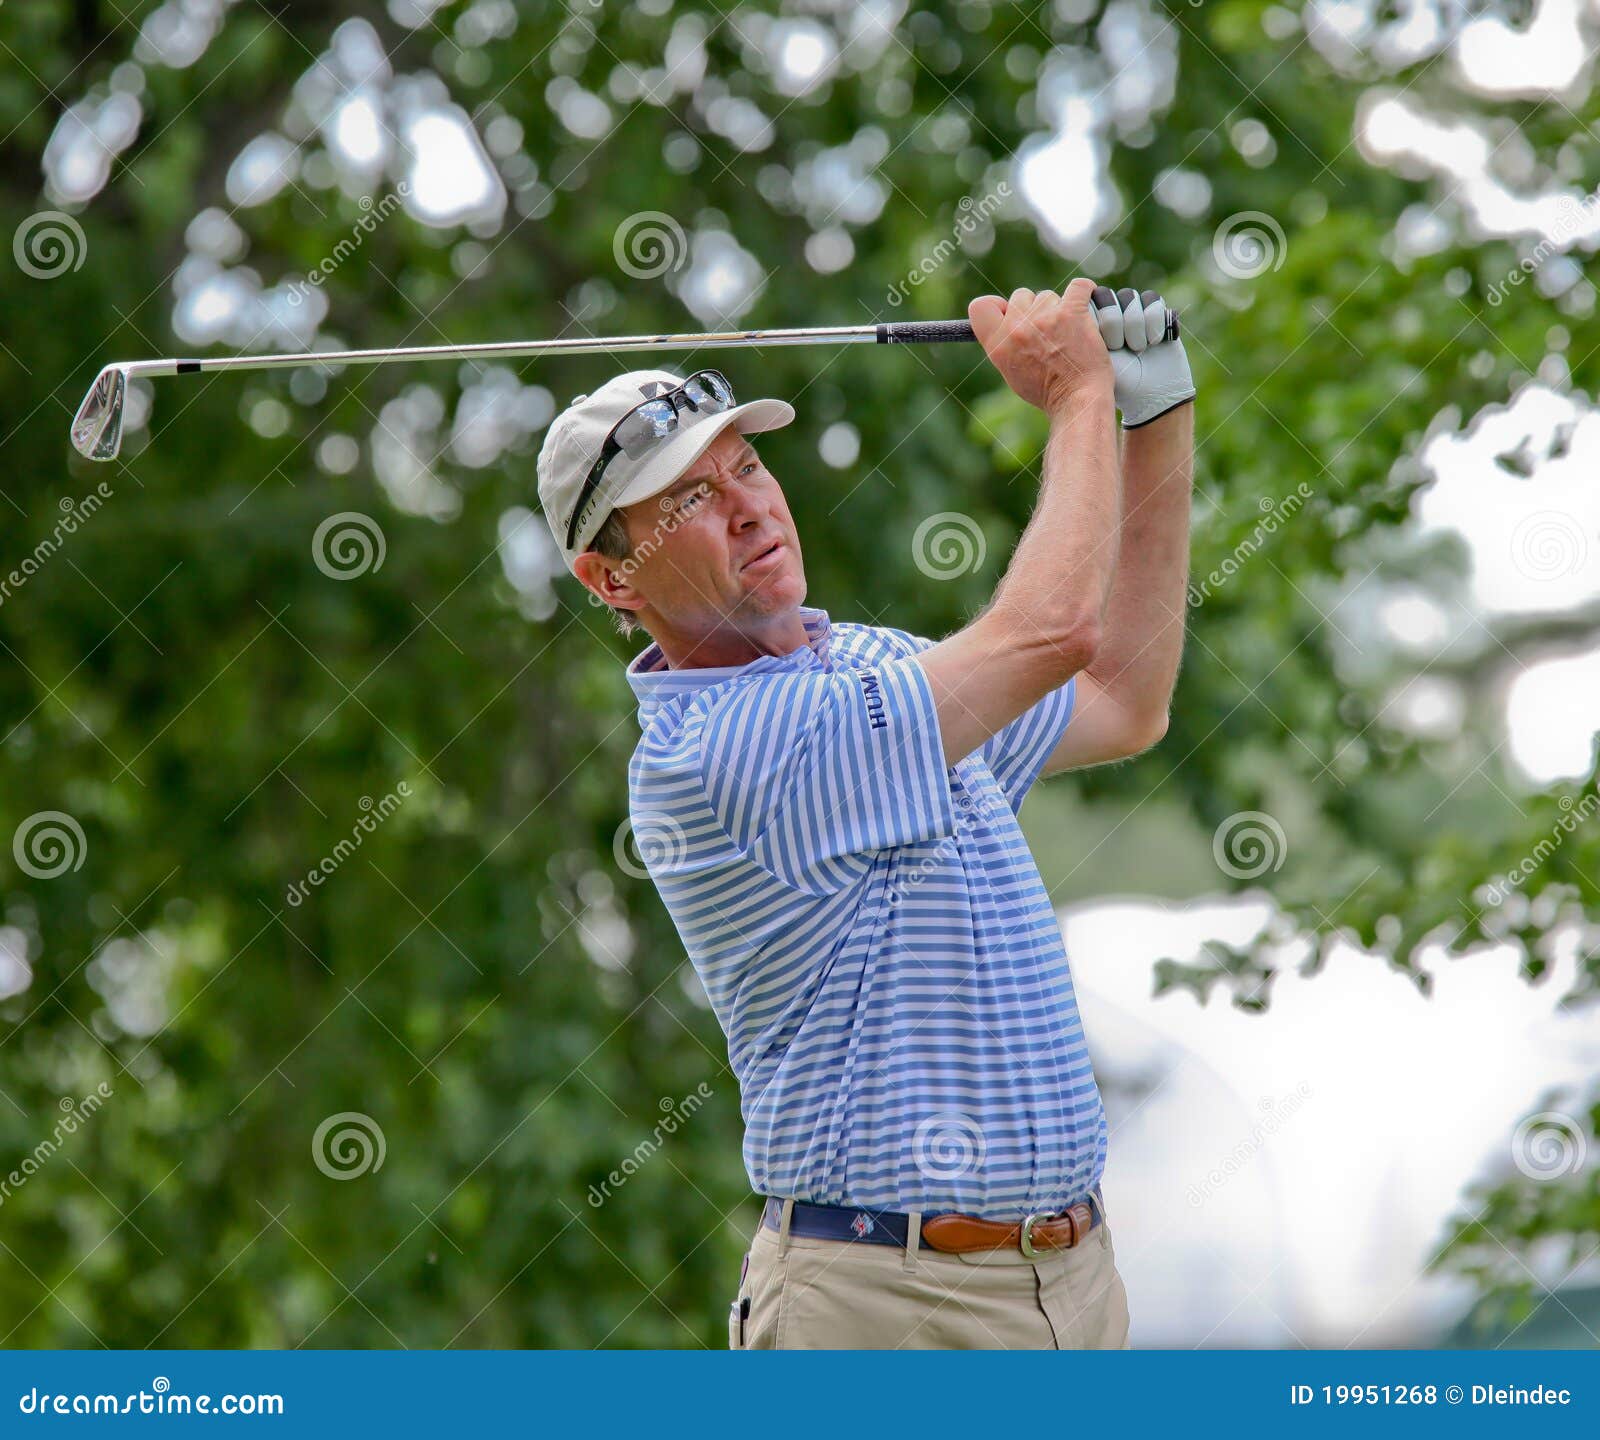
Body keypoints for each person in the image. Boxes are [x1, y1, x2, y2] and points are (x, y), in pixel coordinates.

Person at [536, 281, 1196, 1349]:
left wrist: (1152, 410)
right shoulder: (720, 750)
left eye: (745, 467)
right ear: (611, 578)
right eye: (689, 501)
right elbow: (1052, 631)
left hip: (1072, 1287)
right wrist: (1077, 399)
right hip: (890, 1311)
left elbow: (1123, 698)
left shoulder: (878, 665)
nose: (749, 504)